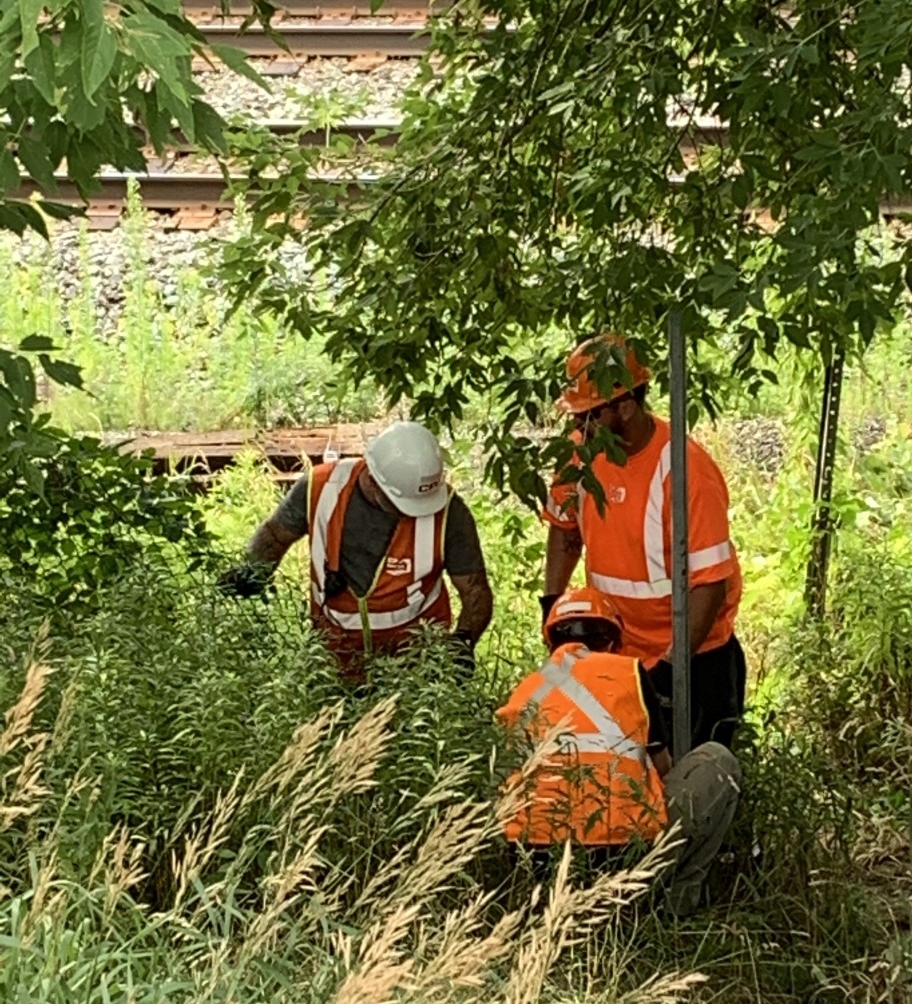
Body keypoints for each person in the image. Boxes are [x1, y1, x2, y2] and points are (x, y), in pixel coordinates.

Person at [541, 333, 746, 750]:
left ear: (626, 406)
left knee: (697, 773)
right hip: (614, 650)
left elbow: (709, 583)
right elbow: (564, 531)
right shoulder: (580, 456)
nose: (579, 428)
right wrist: (553, 604)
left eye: (589, 416)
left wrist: (674, 667)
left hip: (695, 656)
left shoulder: (686, 473)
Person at [497, 588, 741, 914]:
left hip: (541, 873)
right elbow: (662, 769)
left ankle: (530, 901)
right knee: (718, 759)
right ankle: (672, 905)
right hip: (624, 868)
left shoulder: (524, 690)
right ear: (614, 640)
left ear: (550, 642)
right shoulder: (630, 674)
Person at [221, 421, 493, 678]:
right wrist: (255, 571)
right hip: (333, 660)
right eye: (402, 503)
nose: (412, 512)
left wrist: (462, 644)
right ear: (373, 479)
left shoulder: (448, 512)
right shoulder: (320, 488)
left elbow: (475, 590)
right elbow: (275, 534)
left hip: (416, 670)